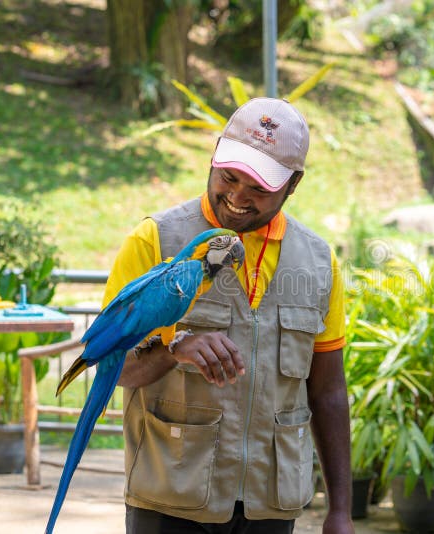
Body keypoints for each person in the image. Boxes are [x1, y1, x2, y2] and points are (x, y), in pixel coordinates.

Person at [107, 97, 355, 534]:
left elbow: (329, 391)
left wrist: (340, 511)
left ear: (293, 184)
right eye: (228, 177)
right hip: (170, 499)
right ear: (214, 155)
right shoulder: (155, 241)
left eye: (259, 188)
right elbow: (114, 369)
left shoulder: (319, 263)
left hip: (271, 505)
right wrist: (174, 350)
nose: (237, 197)